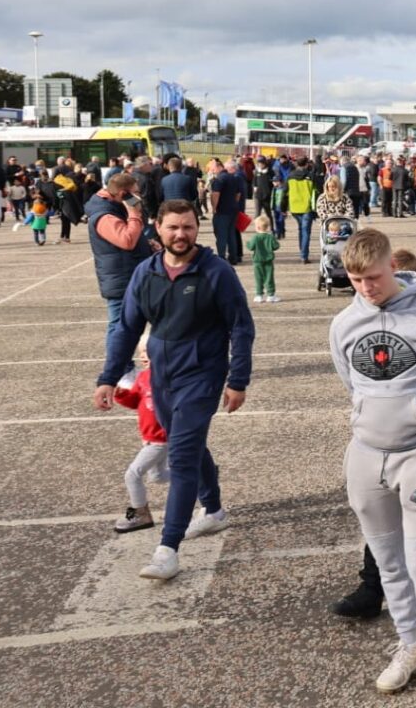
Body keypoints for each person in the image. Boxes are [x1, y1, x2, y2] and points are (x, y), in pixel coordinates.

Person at [328, 229, 416, 693]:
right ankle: (410, 643)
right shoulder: (344, 324)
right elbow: (351, 382)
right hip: (367, 454)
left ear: (392, 266)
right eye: (356, 278)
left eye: (374, 276)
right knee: (388, 561)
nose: (366, 287)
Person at [93, 200, 255, 581]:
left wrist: (238, 380)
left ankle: (168, 549)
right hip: (161, 377)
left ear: (197, 228)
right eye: (172, 228)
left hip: (202, 376)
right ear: (157, 228)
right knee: (189, 445)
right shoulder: (144, 274)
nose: (180, 235)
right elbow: (126, 329)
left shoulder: (216, 272)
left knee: (181, 456)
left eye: (187, 227)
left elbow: (241, 327)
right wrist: (108, 377)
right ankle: (213, 511)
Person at [86, 173, 152, 385]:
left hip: (129, 274)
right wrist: (134, 213)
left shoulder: (113, 207)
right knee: (119, 327)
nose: (139, 197)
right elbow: (126, 240)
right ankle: (122, 371)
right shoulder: (104, 215)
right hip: (120, 280)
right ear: (123, 194)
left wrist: (148, 245)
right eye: (135, 193)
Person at [111, 340, 170, 534]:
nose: (143, 356)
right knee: (158, 476)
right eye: (141, 352)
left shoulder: (167, 377)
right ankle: (200, 476)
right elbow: (136, 401)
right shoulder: (144, 376)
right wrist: (121, 395)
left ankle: (140, 514)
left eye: (147, 351)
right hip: (148, 438)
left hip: (160, 440)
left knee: (132, 474)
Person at [208, 160, 247, 266]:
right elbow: (238, 194)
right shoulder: (234, 177)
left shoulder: (219, 179)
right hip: (233, 210)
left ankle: (221, 258)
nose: (212, 171)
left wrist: (214, 208)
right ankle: (233, 257)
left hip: (222, 211)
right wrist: (234, 203)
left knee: (221, 235)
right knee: (231, 235)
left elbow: (215, 194)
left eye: (212, 169)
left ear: (218, 167)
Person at [287, 158, 317, 263]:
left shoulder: (290, 176)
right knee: (306, 232)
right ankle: (304, 255)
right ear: (306, 164)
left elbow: (285, 191)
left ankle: (302, 252)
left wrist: (283, 207)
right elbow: (316, 191)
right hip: (306, 206)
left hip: (294, 206)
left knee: (301, 229)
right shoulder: (311, 176)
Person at [247, 215, 280, 303]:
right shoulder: (270, 237)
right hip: (268, 261)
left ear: (257, 227)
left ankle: (259, 295)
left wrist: (247, 243)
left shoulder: (255, 238)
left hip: (257, 261)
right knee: (269, 278)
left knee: (258, 278)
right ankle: (271, 295)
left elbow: (250, 247)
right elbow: (276, 246)